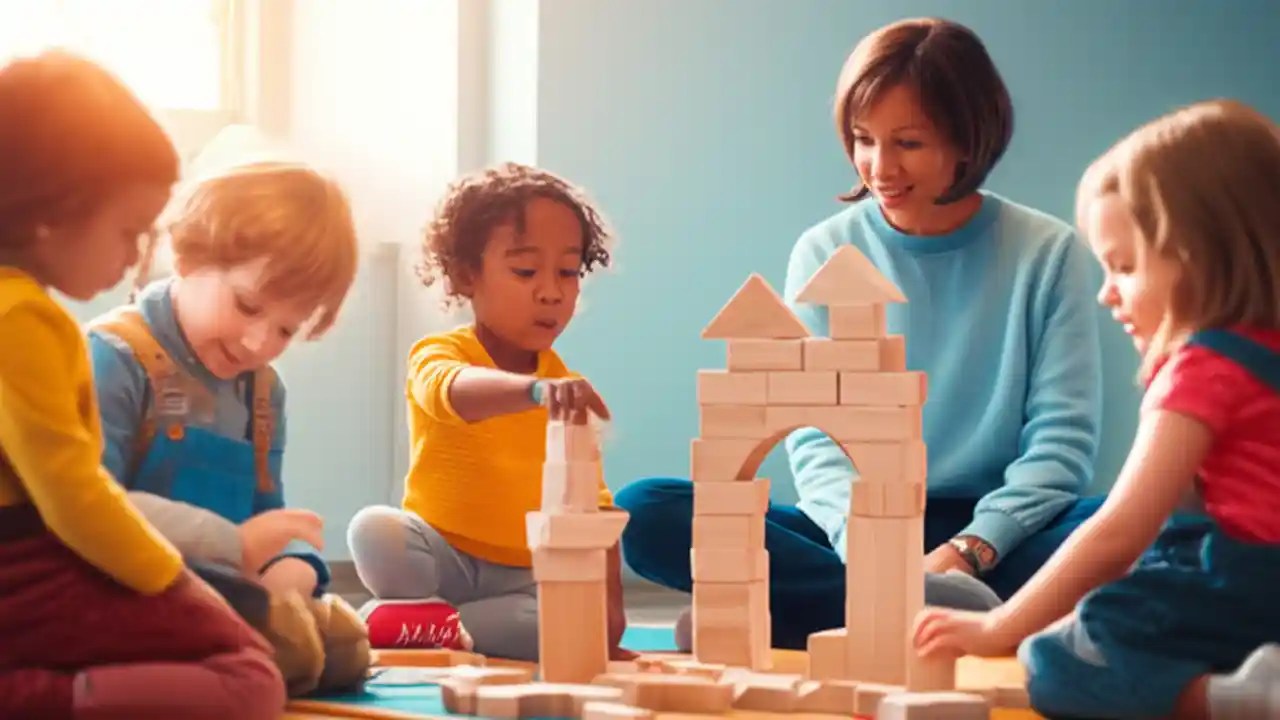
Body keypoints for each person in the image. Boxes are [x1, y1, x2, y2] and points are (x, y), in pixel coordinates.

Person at [615, 16, 1105, 651]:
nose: (879, 166)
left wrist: (970, 549)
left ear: (967, 139)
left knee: (1143, 528)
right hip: (854, 523)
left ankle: (818, 613)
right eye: (862, 139)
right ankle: (948, 615)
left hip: (999, 530)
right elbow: (816, 437)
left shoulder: (1048, 252)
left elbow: (1061, 442)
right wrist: (875, 555)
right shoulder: (825, 250)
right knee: (646, 509)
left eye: (908, 143)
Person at [913, 99, 1280, 719]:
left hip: (1234, 581)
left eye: (1125, 267)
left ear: (1200, 255)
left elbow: (1119, 531)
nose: (1108, 293)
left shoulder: (1202, 368)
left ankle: (1232, 701)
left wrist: (1001, 628)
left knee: (1055, 662)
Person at [0, 49, 284, 719]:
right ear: (51, 213)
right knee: (251, 676)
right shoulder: (22, 321)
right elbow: (72, 494)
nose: (134, 256)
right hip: (22, 566)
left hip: (29, 564)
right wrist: (173, 580)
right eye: (128, 231)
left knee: (245, 613)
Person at [84, 159, 369, 696]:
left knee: (343, 643)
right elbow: (89, 507)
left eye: (286, 328)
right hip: (121, 587)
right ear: (189, 258)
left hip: (219, 592)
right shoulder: (115, 357)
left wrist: (292, 568)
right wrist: (233, 545)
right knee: (272, 660)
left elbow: (268, 517)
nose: (260, 343)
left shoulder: (262, 391)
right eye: (247, 305)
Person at [347, 162, 633, 662]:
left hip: (525, 578)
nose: (552, 291)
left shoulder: (565, 388)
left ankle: (420, 626)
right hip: (438, 557)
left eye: (568, 271)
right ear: (465, 275)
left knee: (559, 622)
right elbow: (451, 391)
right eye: (525, 271)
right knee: (376, 530)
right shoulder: (442, 354)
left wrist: (609, 610)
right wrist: (532, 391)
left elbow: (595, 505)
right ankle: (430, 620)